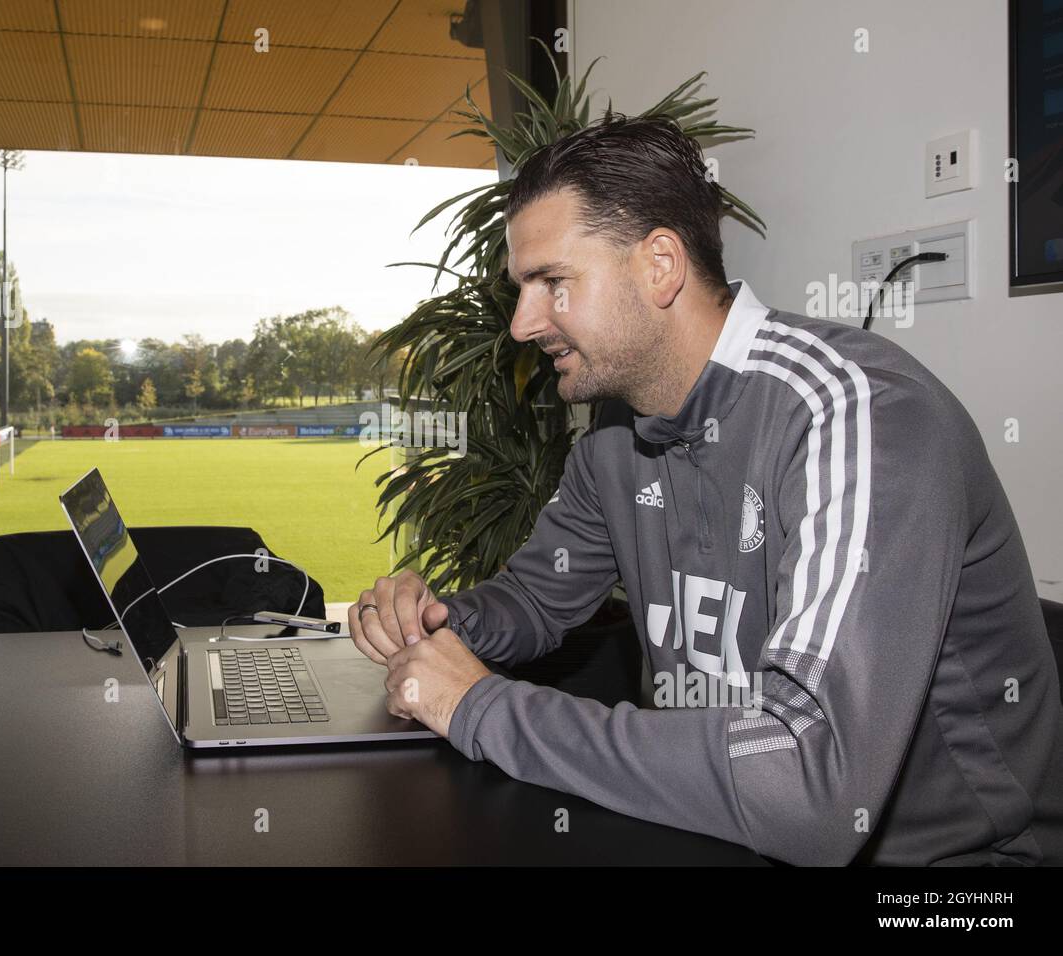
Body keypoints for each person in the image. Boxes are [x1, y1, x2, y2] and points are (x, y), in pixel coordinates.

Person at [348, 112, 1063, 866]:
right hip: (725, 831)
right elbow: (533, 600)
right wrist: (438, 621)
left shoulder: (858, 414)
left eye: (552, 282)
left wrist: (479, 707)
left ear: (660, 265)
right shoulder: (616, 435)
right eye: (522, 289)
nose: (524, 324)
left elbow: (813, 786)